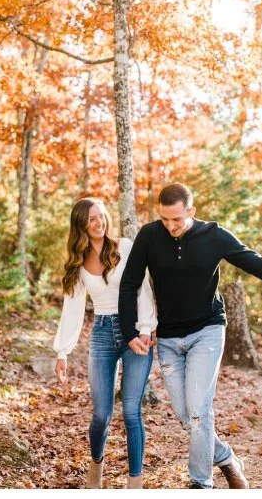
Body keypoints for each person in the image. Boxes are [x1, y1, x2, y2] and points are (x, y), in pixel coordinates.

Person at [118, 183, 262, 489]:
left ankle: (201, 483)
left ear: (191, 211)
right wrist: (130, 332)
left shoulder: (214, 236)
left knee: (198, 411)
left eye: (177, 220)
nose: (170, 226)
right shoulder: (149, 236)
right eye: (165, 219)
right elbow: (129, 283)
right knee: (186, 416)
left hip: (206, 332)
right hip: (167, 338)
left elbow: (256, 262)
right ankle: (226, 458)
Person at [52, 198, 157, 488]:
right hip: (101, 333)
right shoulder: (78, 263)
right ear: (81, 226)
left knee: (131, 412)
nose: (100, 223)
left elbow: (143, 289)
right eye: (92, 219)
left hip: (135, 331)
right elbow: (71, 308)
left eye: (102, 216)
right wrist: (63, 351)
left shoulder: (124, 246)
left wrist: (147, 328)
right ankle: (96, 464)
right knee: (101, 415)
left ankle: (135, 483)